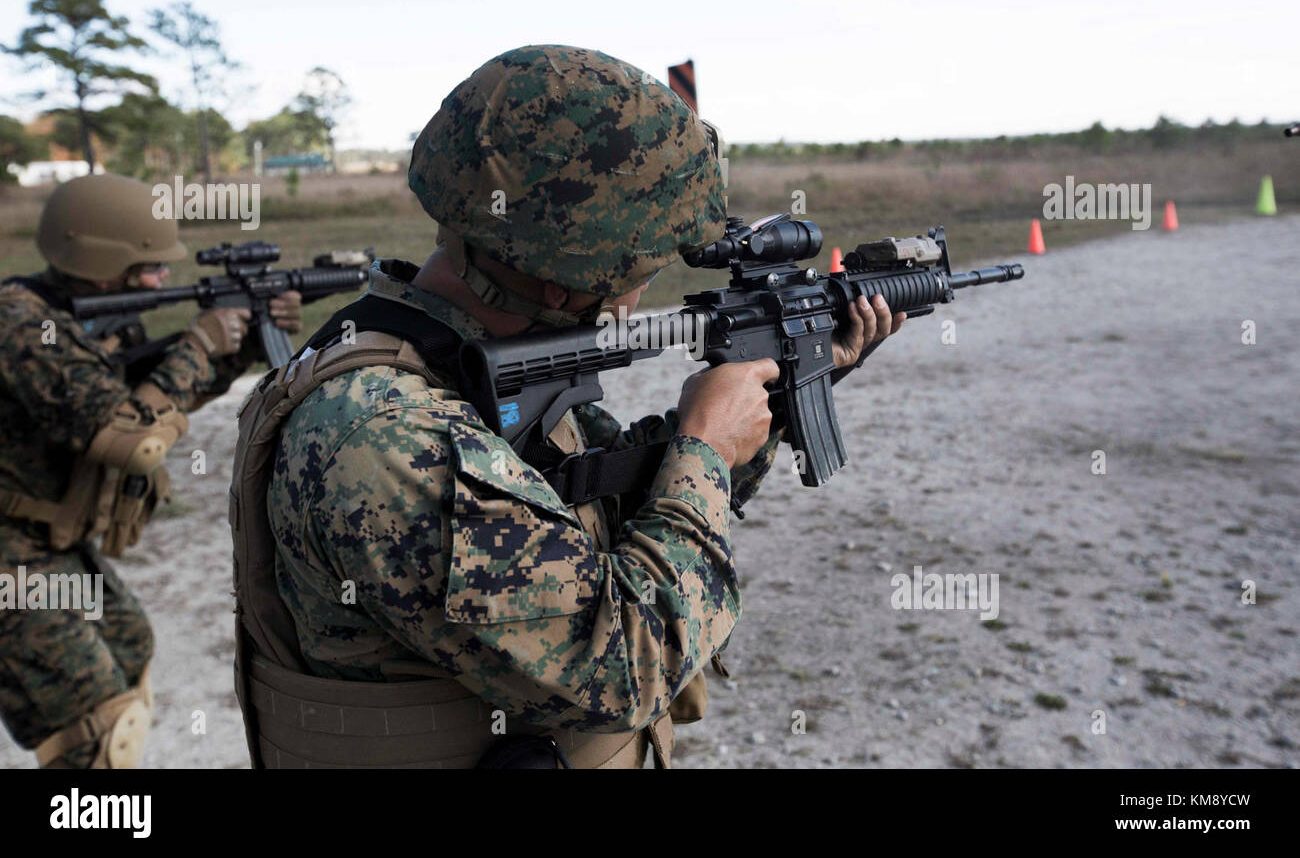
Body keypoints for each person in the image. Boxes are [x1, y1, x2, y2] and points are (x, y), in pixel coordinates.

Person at [230, 45, 902, 768]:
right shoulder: (386, 437)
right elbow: (624, 669)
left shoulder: (453, 359)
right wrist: (705, 447)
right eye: (643, 270)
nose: (643, 294)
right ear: (563, 284)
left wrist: (780, 385)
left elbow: (618, 500)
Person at [0, 173, 301, 768]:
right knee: (96, 725)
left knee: (129, 647)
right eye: (148, 267)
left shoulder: (87, 317)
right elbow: (135, 438)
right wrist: (198, 342)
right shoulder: (25, 326)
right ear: (100, 259)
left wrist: (233, 348)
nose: (161, 278)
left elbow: (156, 403)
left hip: (45, 543)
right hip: (11, 553)